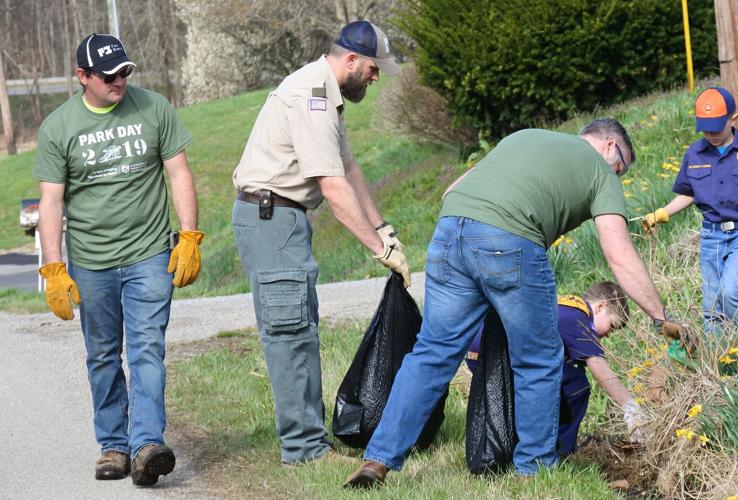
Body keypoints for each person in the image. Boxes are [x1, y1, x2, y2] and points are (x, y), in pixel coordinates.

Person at [344, 118, 684, 488]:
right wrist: (658, 315)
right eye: (621, 167)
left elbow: (452, 190)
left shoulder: (525, 137)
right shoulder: (600, 171)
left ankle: (378, 460)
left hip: (450, 230)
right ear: (607, 146)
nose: (618, 176)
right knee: (539, 357)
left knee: (433, 352)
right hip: (509, 240)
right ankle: (535, 468)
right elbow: (619, 254)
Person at [231, 20, 409, 467]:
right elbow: (331, 187)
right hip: (271, 217)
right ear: (350, 59)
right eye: (372, 67)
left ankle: (311, 441)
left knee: (302, 330)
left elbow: (348, 169)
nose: (375, 76)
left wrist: (383, 228)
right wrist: (376, 248)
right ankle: (304, 448)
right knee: (290, 334)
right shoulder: (310, 97)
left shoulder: (326, 97)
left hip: (285, 217)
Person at [33, 33, 202, 486]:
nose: (119, 81)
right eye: (108, 75)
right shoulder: (59, 127)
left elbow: (179, 171)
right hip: (91, 260)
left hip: (149, 253)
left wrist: (189, 237)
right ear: (82, 77)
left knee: (148, 347)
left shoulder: (154, 108)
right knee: (104, 354)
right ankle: (113, 445)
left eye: (124, 71)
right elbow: (52, 201)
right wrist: (53, 266)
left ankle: (147, 443)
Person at [641, 87, 738, 350]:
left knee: (730, 292)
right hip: (711, 235)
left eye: (716, 128)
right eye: (705, 128)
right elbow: (688, 194)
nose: (710, 134)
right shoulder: (695, 154)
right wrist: (663, 212)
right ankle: (716, 352)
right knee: (711, 303)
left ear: (734, 118)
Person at [464, 281, 646, 456]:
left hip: (481, 348)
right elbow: (599, 367)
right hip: (494, 356)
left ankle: (529, 442)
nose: (608, 334)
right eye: (612, 326)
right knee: (577, 386)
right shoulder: (578, 319)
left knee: (568, 377)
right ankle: (559, 450)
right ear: (600, 307)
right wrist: (629, 406)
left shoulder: (567, 307)